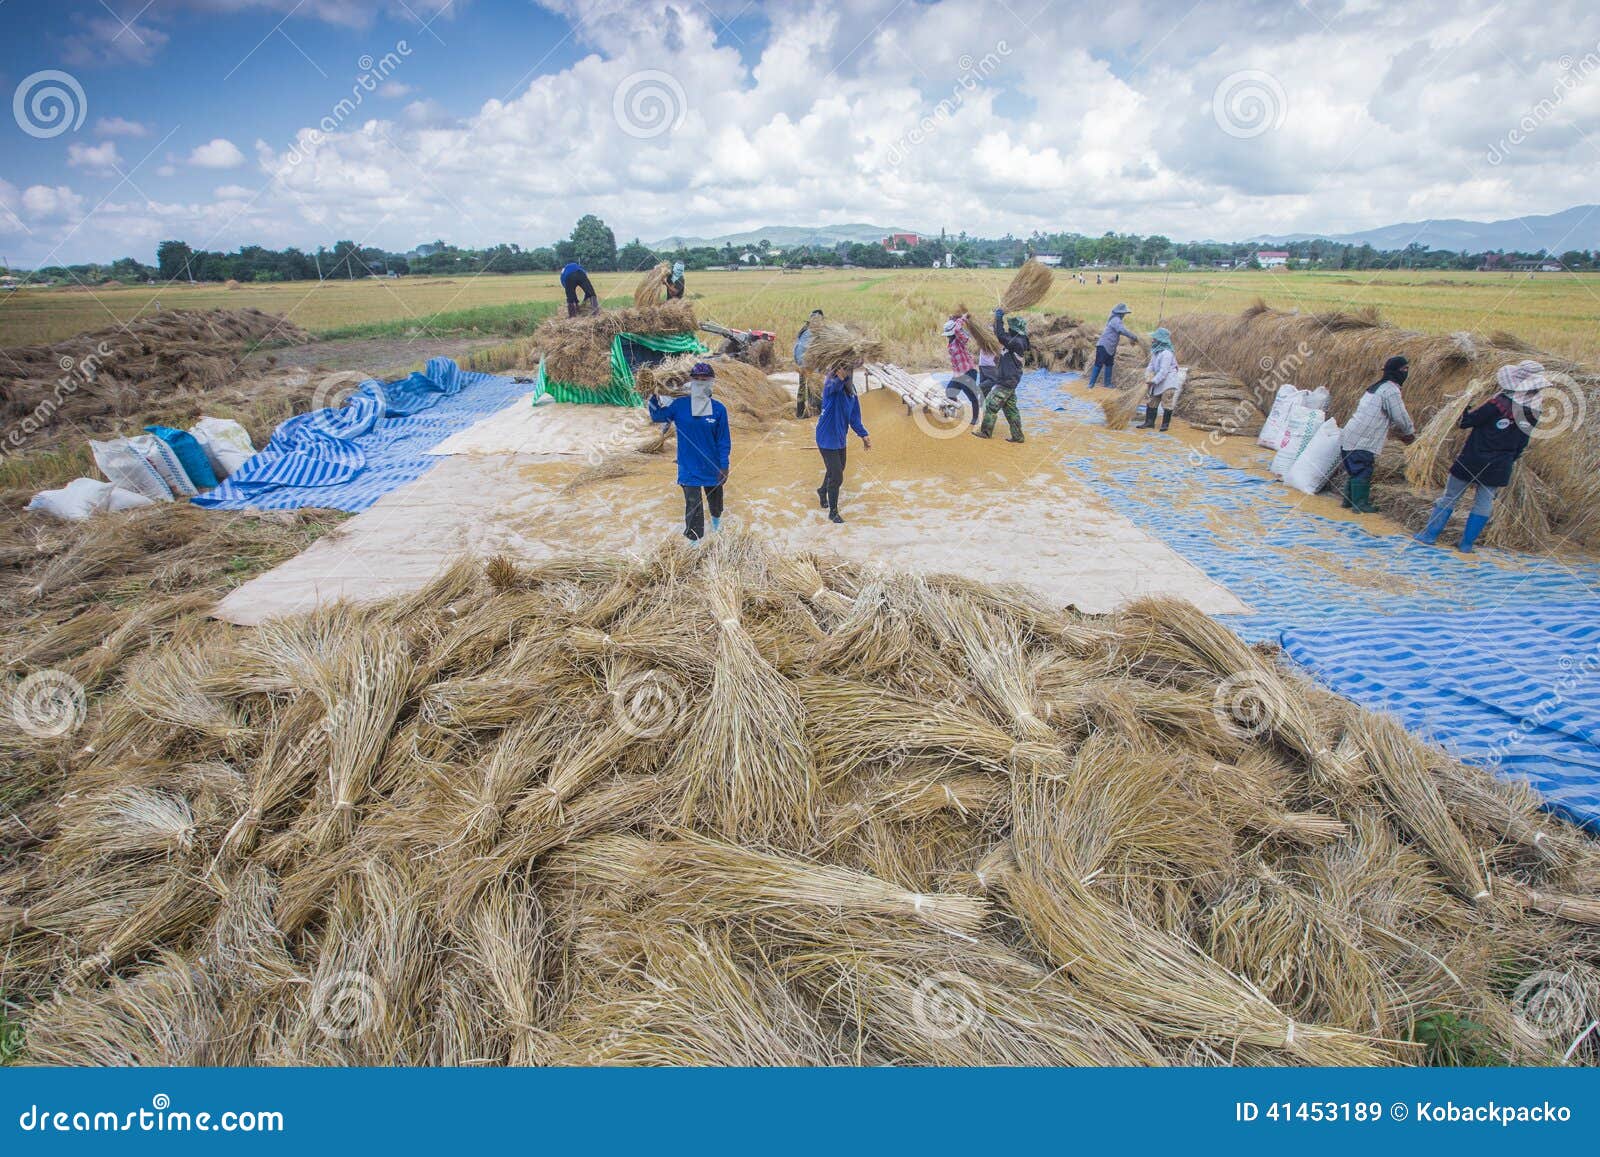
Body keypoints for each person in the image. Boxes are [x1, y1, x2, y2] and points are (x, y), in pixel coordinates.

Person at [1414, 360, 1547, 553]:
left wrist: (1464, 405)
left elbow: (1467, 422)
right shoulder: (1533, 413)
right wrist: (1509, 458)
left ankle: (1429, 535)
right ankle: (1466, 545)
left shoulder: (1497, 404)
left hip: (1472, 458)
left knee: (1450, 496)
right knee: (1484, 503)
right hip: (1500, 464)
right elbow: (1522, 444)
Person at [647, 362, 731, 542]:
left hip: (713, 466)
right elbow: (657, 416)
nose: (701, 382)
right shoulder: (680, 405)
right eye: (697, 379)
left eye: (705, 379)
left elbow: (723, 441)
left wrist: (724, 465)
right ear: (691, 381)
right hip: (688, 466)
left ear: (712, 382)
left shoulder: (718, 409)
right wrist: (651, 396)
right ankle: (694, 544)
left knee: (715, 503)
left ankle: (717, 528)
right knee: (693, 505)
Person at [1337, 355, 1416, 514]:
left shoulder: (1376, 388)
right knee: (1362, 469)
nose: (1406, 372)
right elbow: (1400, 416)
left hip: (1350, 434)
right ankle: (1360, 505)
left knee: (1354, 470)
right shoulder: (1390, 390)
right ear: (1395, 371)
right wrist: (1410, 433)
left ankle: (1347, 503)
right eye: (1404, 369)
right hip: (1363, 439)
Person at [815, 360, 871, 524]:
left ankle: (822, 490)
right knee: (837, 476)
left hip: (839, 437)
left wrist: (864, 435)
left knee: (838, 468)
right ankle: (833, 512)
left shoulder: (851, 392)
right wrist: (838, 377)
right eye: (842, 369)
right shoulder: (831, 386)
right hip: (826, 438)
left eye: (848, 370)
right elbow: (833, 386)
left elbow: (854, 417)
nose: (845, 373)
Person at [974, 308, 1028, 442]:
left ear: (1014, 330)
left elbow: (1000, 335)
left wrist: (999, 318)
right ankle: (1018, 436)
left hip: (1006, 381)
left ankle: (986, 432)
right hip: (1010, 381)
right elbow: (1002, 337)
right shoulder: (1020, 340)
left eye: (1011, 328)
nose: (1009, 330)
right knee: (1011, 410)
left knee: (990, 404)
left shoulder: (1016, 342)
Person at [1137, 327, 1182, 431]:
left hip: (1168, 382)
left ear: (1160, 340)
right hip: (1158, 381)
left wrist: (1153, 381)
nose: (1153, 340)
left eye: (1155, 339)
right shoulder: (1156, 352)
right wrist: (1147, 375)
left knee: (1166, 402)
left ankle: (1165, 425)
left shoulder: (1167, 353)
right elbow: (1151, 366)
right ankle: (1149, 422)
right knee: (1152, 400)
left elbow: (1164, 371)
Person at [1087, 303, 1139, 389]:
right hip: (1104, 345)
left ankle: (1107, 384)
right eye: (1123, 313)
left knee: (1109, 364)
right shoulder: (1115, 320)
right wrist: (1134, 336)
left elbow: (1122, 330)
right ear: (1120, 313)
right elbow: (1122, 330)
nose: (1124, 315)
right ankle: (1091, 384)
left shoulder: (1117, 320)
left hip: (1110, 346)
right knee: (1098, 364)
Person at [943, 316, 981, 424]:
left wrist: (961, 319)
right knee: (949, 391)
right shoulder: (950, 343)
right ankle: (956, 409)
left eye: (950, 335)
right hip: (958, 373)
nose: (948, 337)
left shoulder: (960, 340)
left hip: (968, 371)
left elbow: (958, 330)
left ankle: (975, 419)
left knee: (972, 396)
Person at [793, 309, 824, 419]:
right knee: (811, 389)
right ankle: (807, 413)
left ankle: (805, 413)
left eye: (820, 320)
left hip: (807, 366)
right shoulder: (808, 334)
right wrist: (805, 367)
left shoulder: (812, 332)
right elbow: (800, 350)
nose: (819, 323)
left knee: (807, 389)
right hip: (807, 367)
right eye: (817, 320)